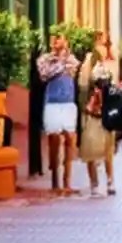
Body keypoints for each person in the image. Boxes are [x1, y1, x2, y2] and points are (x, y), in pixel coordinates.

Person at [37, 34, 80, 194]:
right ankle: (55, 181)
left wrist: (63, 61)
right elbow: (45, 74)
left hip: (68, 102)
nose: (57, 43)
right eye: (55, 40)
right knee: (54, 141)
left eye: (61, 40)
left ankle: (67, 182)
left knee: (70, 139)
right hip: (52, 103)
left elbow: (74, 67)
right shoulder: (44, 59)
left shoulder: (71, 58)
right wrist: (61, 62)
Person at [78, 31, 119, 197]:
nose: (101, 46)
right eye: (99, 42)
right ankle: (94, 183)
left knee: (108, 148)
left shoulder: (112, 62)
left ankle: (110, 180)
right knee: (90, 147)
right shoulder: (89, 61)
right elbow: (82, 86)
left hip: (108, 110)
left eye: (104, 43)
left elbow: (117, 86)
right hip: (93, 109)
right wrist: (84, 107)